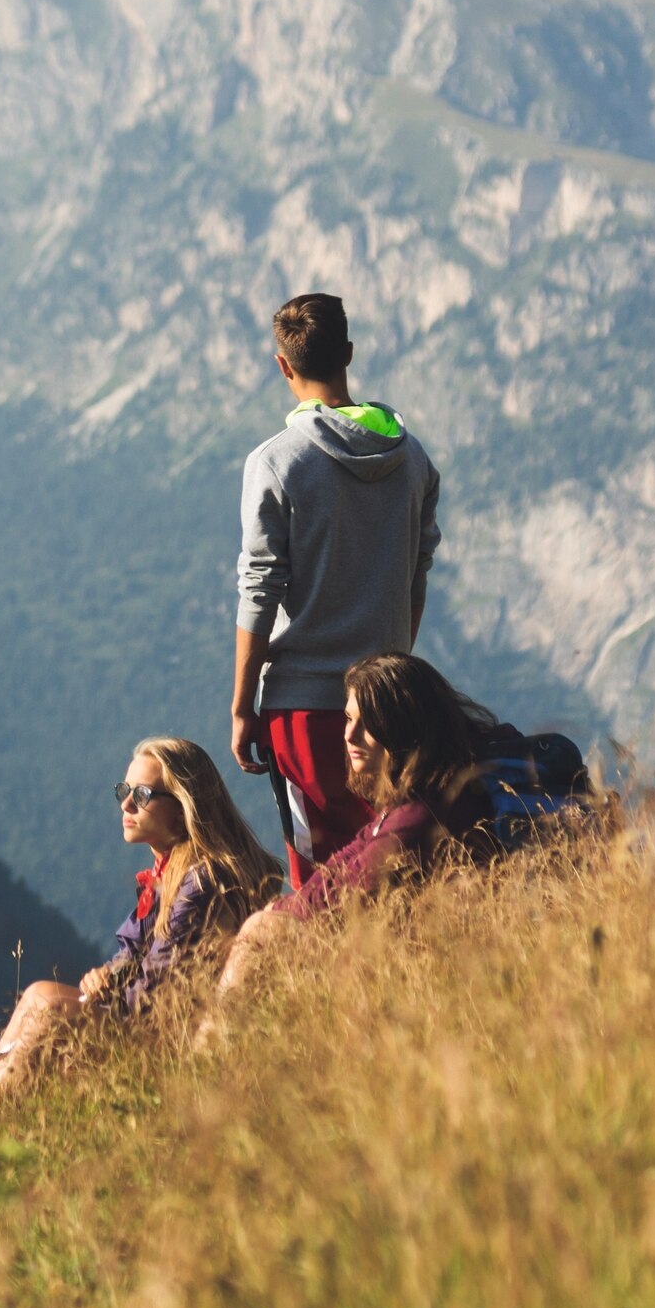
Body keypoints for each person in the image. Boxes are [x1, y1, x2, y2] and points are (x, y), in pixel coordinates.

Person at [233, 292, 442, 888]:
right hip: (390, 702)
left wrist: (241, 705)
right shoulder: (413, 461)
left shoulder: (276, 464)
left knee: (318, 872)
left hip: (302, 706)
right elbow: (416, 575)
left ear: (283, 366)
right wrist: (393, 669)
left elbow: (259, 588)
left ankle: (332, 979)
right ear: (349, 353)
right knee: (392, 860)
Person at [0, 737, 282, 1106]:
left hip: (168, 1040)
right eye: (124, 790)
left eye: (143, 795)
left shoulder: (200, 882)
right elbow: (137, 958)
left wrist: (106, 1000)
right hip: (152, 1025)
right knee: (42, 996)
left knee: (49, 1004)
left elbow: (158, 994)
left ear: (182, 809)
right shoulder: (171, 871)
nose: (127, 803)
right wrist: (107, 978)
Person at [212, 652, 492, 1002]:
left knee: (257, 934)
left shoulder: (416, 821)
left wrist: (276, 916)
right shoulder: (421, 799)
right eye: (348, 718)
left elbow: (339, 897)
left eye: (368, 722)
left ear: (403, 727)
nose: (349, 735)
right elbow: (345, 864)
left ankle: (209, 1051)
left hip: (415, 975)